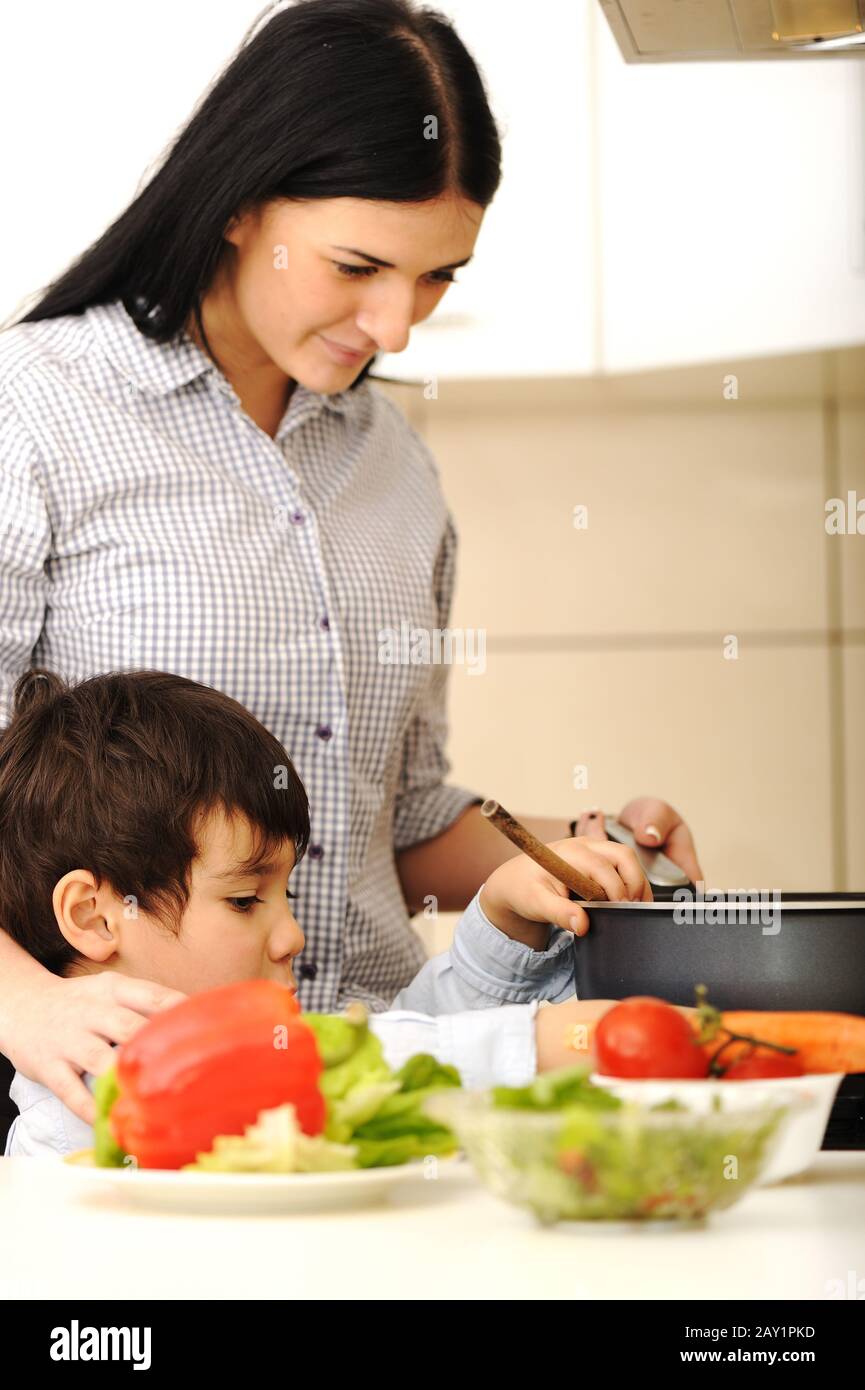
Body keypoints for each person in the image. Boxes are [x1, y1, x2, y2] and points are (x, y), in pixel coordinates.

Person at [0, 0, 701, 1129]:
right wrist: (18, 999)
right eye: (358, 265)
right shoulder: (32, 412)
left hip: (369, 1081)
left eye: (436, 279)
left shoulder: (394, 468)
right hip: (109, 1108)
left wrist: (580, 858)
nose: (396, 325)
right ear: (238, 201)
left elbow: (402, 824)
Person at [1, 667, 656, 1158]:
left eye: (284, 895)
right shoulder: (98, 1078)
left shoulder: (245, 1045)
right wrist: (543, 1041)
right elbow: (356, 1068)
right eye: (242, 900)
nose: (291, 935)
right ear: (93, 917)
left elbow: (381, 1056)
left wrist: (500, 930)